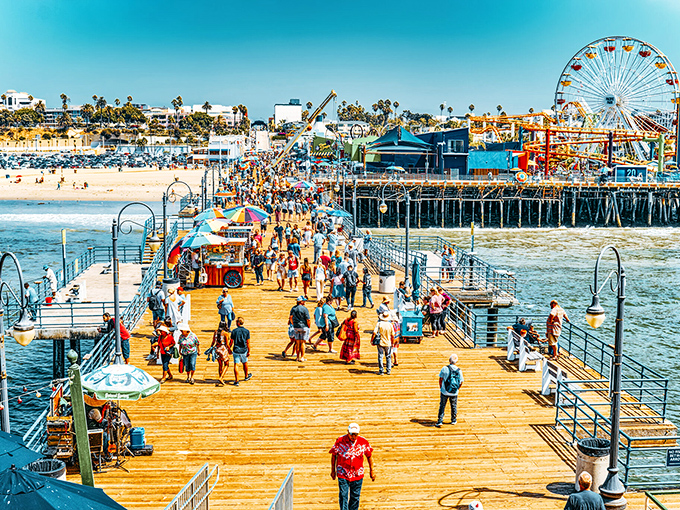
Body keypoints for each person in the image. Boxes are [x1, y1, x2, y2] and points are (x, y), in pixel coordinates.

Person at [329, 423, 375, 510]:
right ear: (347, 432)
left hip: (357, 474)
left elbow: (369, 456)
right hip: (343, 472)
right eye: (351, 434)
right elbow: (334, 455)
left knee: (355, 497)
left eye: (355, 434)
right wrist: (333, 470)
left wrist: (372, 470)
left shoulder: (363, 442)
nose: (353, 436)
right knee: (343, 496)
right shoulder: (340, 441)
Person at [436, 353, 464, 427]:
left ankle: (440, 420)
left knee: (442, 405)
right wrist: (457, 389)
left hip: (444, 391)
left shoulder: (444, 368)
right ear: (456, 362)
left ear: (449, 360)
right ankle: (453, 420)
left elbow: (440, 379)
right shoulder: (459, 371)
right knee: (453, 405)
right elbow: (461, 382)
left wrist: (441, 387)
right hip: (454, 392)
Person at [228, 316, 252, 386]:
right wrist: (249, 351)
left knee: (236, 364)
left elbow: (231, 341)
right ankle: (246, 376)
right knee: (245, 363)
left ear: (238, 323)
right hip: (244, 349)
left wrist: (229, 349)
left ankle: (236, 380)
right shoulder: (246, 331)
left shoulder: (234, 331)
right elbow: (248, 342)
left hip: (236, 350)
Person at [288, 295, 311, 362]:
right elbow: (308, 319)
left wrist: (293, 323)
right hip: (304, 327)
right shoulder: (304, 309)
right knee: (303, 342)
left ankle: (297, 357)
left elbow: (290, 317)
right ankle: (302, 357)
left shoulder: (293, 308)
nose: (304, 302)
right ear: (301, 302)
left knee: (297, 342)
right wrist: (309, 326)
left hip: (296, 327)